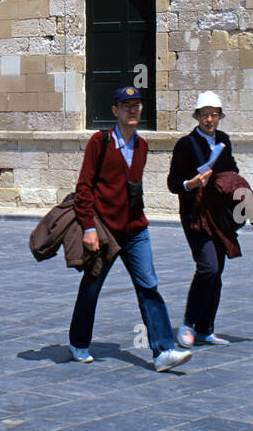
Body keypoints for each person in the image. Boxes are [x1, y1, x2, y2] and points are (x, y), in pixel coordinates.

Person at [68, 86, 192, 372]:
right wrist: (88, 227)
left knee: (149, 286)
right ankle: (78, 341)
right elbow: (84, 187)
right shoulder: (99, 142)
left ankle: (162, 352)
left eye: (137, 105)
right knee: (91, 288)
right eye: (126, 105)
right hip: (105, 232)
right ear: (115, 111)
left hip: (136, 230)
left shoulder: (142, 146)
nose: (133, 110)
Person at [167, 89, 253, 349]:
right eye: (205, 115)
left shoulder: (224, 139)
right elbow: (173, 183)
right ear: (197, 117)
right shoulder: (185, 144)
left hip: (218, 216)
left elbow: (232, 169)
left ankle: (206, 328)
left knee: (218, 273)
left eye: (214, 115)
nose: (210, 120)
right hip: (195, 216)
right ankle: (189, 323)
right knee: (208, 268)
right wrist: (191, 183)